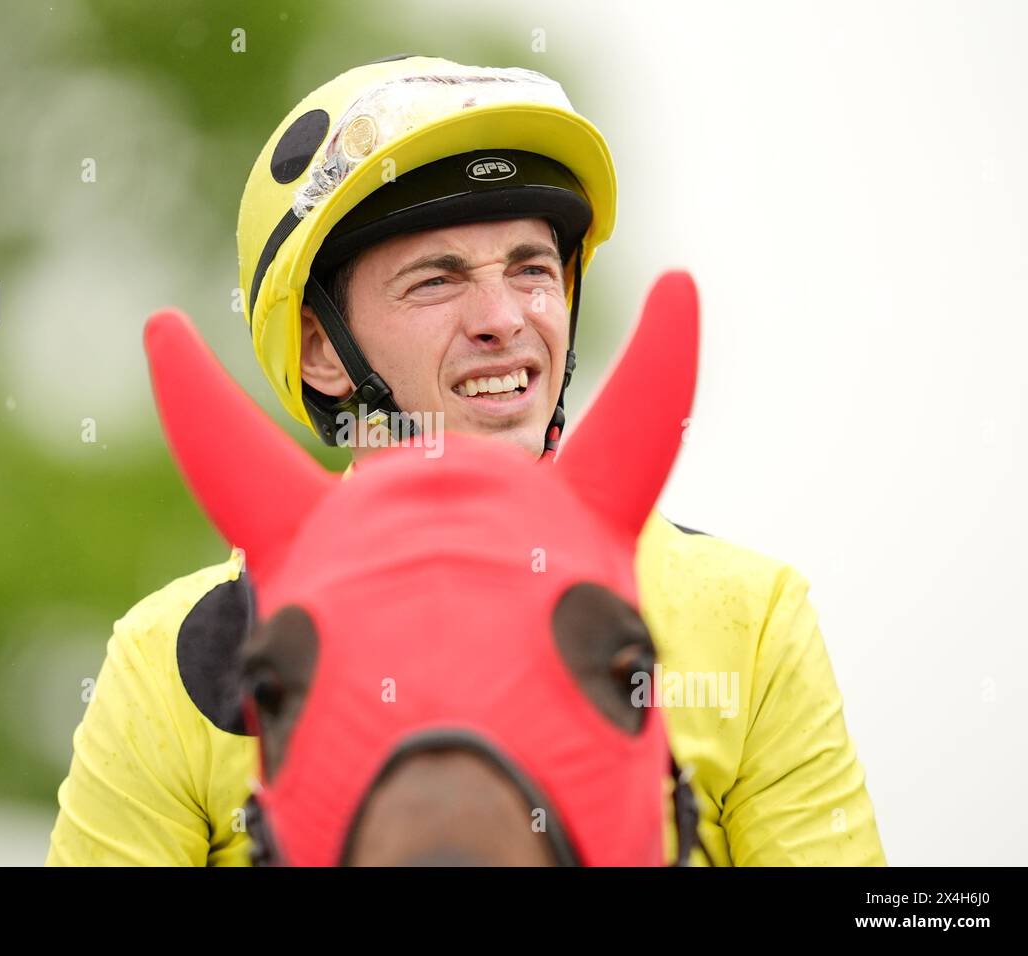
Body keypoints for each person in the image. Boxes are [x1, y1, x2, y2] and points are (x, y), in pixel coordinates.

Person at [45, 55, 885, 866]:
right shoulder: (174, 655)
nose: (503, 318)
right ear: (321, 349)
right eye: (436, 281)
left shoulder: (753, 615)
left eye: (532, 269)